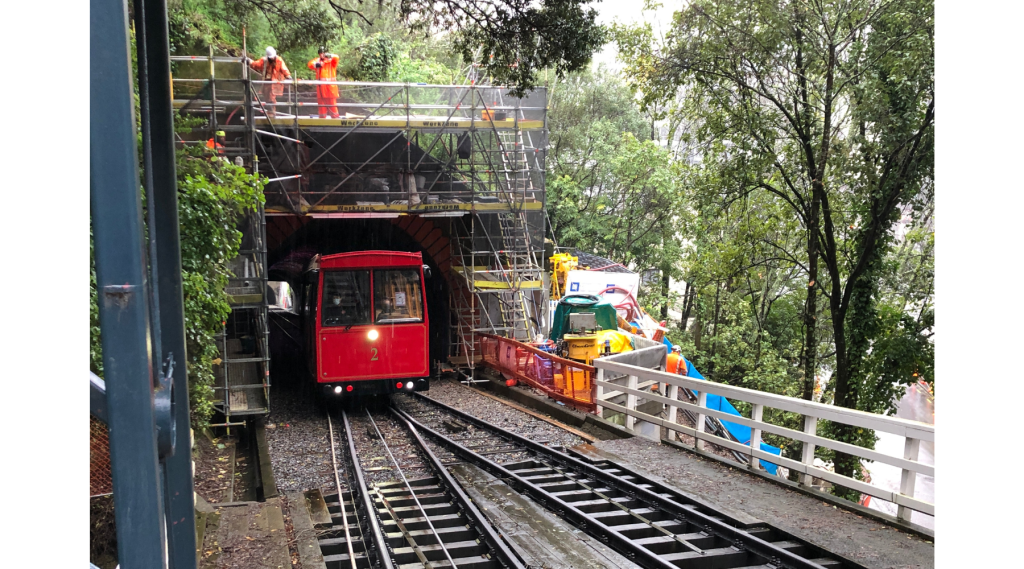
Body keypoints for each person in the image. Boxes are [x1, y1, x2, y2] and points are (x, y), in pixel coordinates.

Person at [247, 47, 291, 118]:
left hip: (276, 82)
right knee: (267, 97)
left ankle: (271, 113)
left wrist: (288, 76)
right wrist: (249, 61)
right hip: (267, 81)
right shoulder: (264, 60)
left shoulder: (279, 60)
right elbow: (256, 64)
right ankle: (270, 112)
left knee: (271, 97)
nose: (272, 58)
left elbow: (284, 68)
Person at [308, 47, 340, 119]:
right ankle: (322, 119)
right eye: (320, 53)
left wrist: (329, 55)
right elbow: (310, 64)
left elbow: (337, 57)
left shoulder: (331, 61)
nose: (321, 55)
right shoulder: (318, 61)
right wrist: (318, 65)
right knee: (321, 105)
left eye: (323, 53)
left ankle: (335, 118)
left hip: (330, 87)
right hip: (321, 88)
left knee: (332, 104)